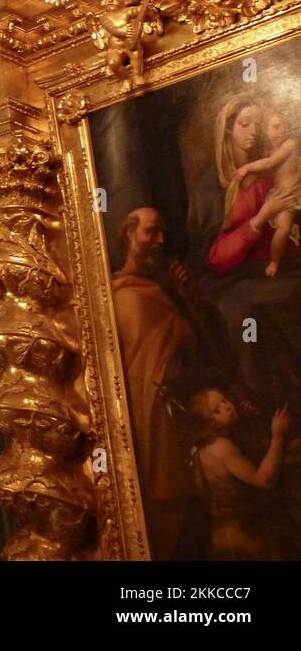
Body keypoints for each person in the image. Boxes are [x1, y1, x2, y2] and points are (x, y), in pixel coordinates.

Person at [111, 206, 223, 558]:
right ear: (130, 235)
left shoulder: (165, 287)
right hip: (153, 419)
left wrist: (187, 295)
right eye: (151, 232)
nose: (160, 240)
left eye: (162, 233)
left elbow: (205, 345)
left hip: (184, 409)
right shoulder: (119, 294)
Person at [188, 388, 292, 560]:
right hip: (242, 535)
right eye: (216, 410)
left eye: (223, 400)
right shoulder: (221, 447)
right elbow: (264, 481)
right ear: (208, 423)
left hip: (228, 531)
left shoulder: (206, 447)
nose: (227, 407)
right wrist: (278, 437)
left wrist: (252, 418)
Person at [208, 94, 301, 274]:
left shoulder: (266, 171)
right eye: (245, 124)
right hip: (243, 274)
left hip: (284, 261)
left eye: (258, 125)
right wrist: (264, 214)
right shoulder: (213, 185)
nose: (254, 131)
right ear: (227, 129)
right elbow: (216, 258)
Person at [232, 108, 301, 276]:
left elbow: (270, 164)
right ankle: (276, 260)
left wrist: (246, 167)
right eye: (270, 128)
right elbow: (269, 170)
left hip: (290, 196)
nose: (275, 132)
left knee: (283, 230)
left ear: (287, 127)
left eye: (279, 126)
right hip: (280, 197)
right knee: (281, 230)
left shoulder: (289, 144)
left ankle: (275, 262)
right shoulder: (271, 150)